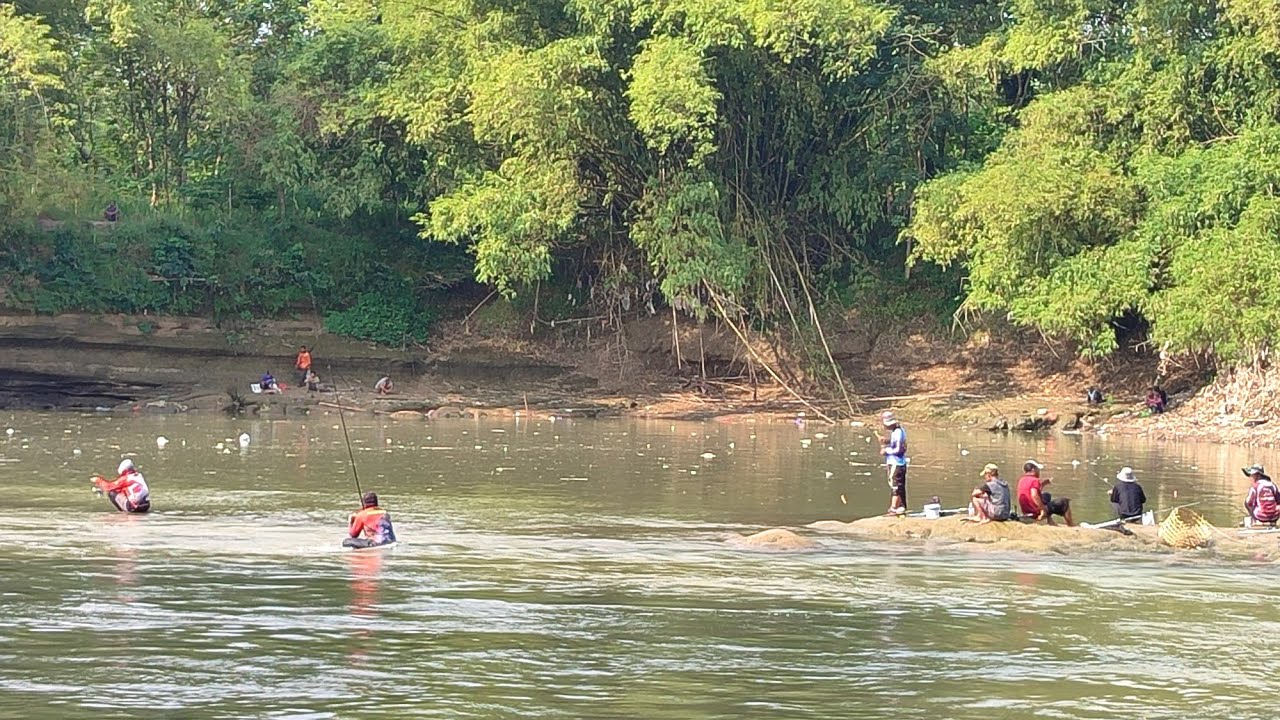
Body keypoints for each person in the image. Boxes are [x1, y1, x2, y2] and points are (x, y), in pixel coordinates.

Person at [1017, 459, 1074, 526]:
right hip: (1035, 511)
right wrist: (1043, 509)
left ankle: (1049, 520)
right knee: (1064, 502)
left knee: (1047, 495)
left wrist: (1043, 484)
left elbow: (1032, 492)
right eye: (1038, 469)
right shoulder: (1035, 480)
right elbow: (1034, 495)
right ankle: (1071, 525)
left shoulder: (1021, 480)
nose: (1039, 471)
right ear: (1033, 470)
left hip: (1027, 510)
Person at [879, 410, 907, 515]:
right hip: (897, 463)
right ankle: (900, 507)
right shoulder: (897, 432)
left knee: (896, 485)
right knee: (898, 485)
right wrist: (887, 441)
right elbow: (895, 444)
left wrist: (886, 451)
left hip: (896, 463)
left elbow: (899, 450)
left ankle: (894, 508)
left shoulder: (898, 432)